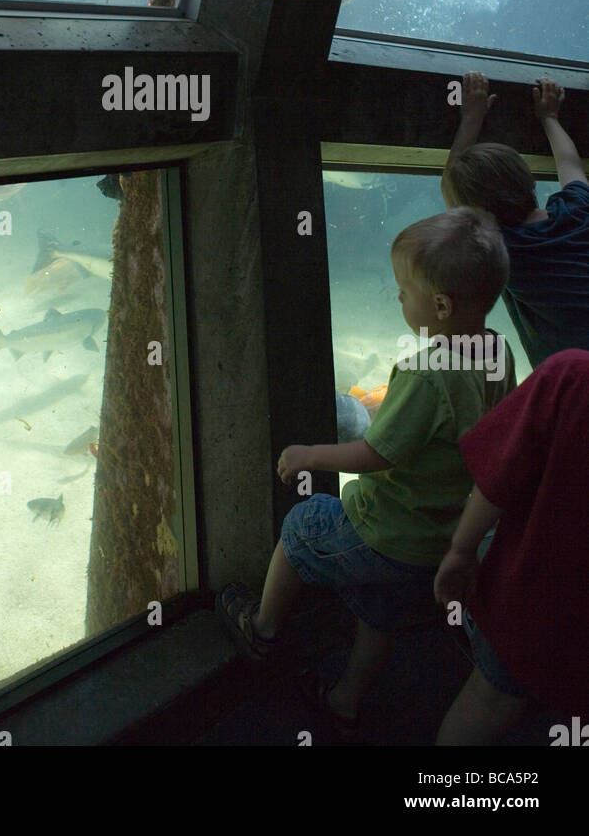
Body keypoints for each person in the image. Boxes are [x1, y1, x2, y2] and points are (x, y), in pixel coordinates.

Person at [216, 208, 516, 739]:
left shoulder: (426, 373)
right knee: (381, 611)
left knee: (303, 524)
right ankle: (345, 701)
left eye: (405, 291)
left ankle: (261, 630)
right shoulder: (496, 350)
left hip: (386, 527)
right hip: (442, 534)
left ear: (440, 306)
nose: (399, 299)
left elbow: (379, 453)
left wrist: (309, 454)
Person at [434, 349, 589, 745]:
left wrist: (460, 552)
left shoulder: (570, 376)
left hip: (533, 613)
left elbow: (497, 477)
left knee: (488, 702)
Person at [442, 72, 589, 366]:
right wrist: (549, 116)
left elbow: (449, 186)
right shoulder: (578, 210)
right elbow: (569, 162)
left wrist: (472, 117)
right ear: (528, 178)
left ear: (475, 210)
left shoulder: (501, 248)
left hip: (571, 381)